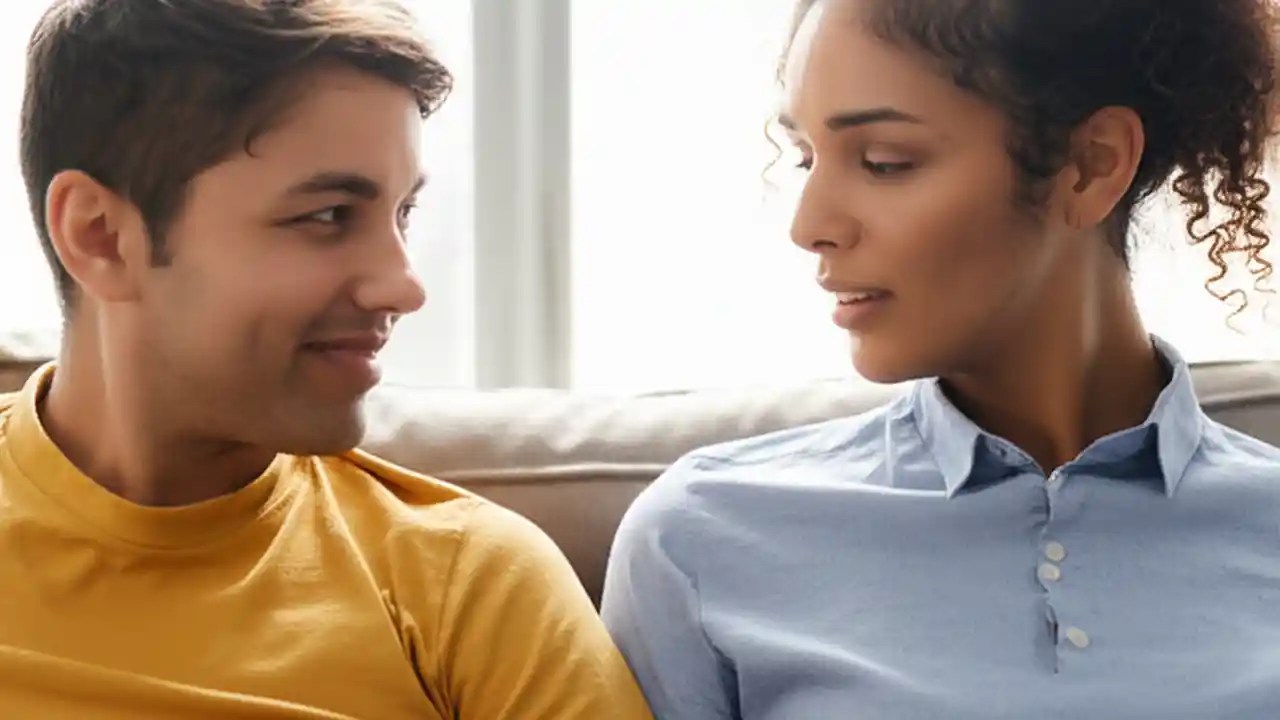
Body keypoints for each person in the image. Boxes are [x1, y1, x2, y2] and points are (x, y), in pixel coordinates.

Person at [602, 0, 1280, 718]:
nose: (810, 225)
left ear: (1091, 165)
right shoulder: (700, 537)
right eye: (806, 158)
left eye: (884, 163)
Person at [0, 1, 652, 718]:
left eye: (403, 215)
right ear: (99, 236)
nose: (403, 287)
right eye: (329, 216)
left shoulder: (472, 589)